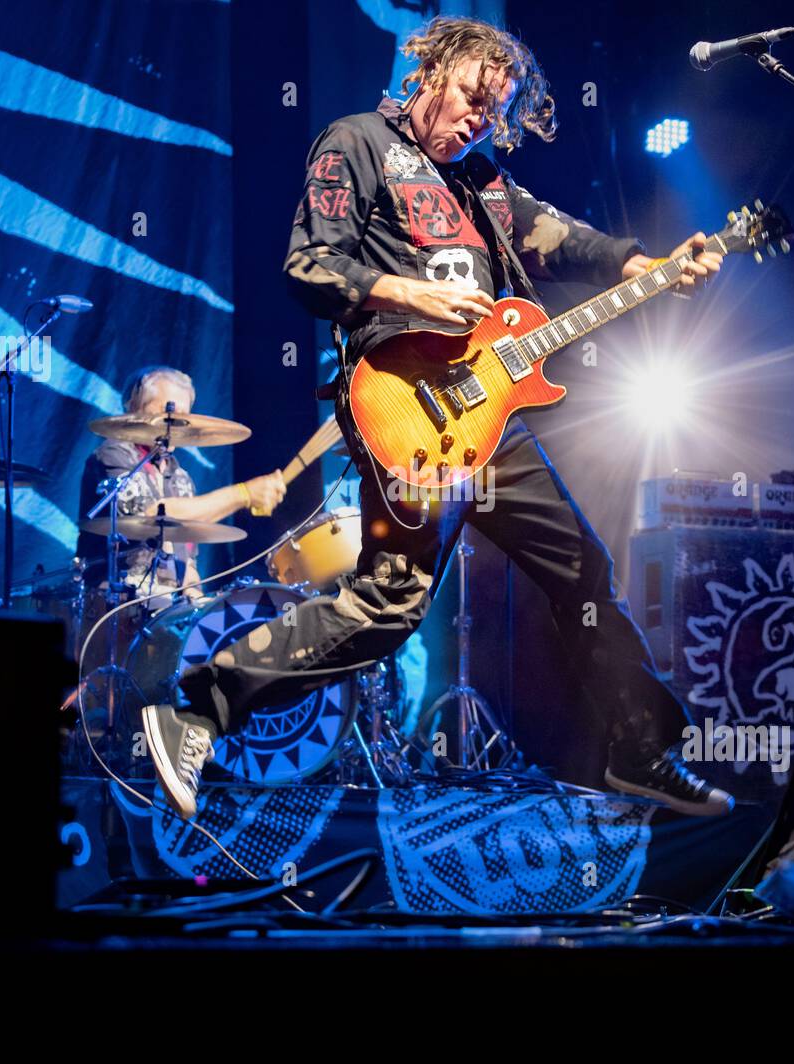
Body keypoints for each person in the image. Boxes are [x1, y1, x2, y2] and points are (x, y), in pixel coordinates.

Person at [142, 16, 732, 819]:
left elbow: (559, 237)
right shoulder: (353, 141)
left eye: (493, 115)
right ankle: (194, 708)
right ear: (433, 72)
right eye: (469, 102)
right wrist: (405, 291)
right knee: (387, 609)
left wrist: (645, 264)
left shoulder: (482, 182)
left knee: (584, 574)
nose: (475, 123)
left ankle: (638, 749)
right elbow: (307, 263)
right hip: (401, 404)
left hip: (491, 420)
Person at [77, 365, 286, 603]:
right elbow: (154, 514)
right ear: (134, 408)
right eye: (169, 413)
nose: (176, 424)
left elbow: (186, 563)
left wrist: (197, 601)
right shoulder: (113, 455)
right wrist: (243, 494)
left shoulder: (180, 477)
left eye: (183, 416)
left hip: (165, 605)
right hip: (113, 602)